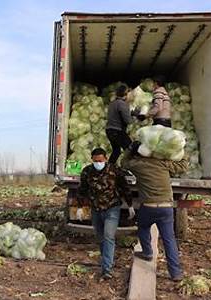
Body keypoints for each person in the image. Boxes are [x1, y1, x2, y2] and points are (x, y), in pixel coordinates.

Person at [121, 142, 188, 282]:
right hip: (166, 207)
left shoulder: (137, 164)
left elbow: (124, 162)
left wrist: (129, 149)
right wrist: (180, 149)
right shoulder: (162, 163)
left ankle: (147, 252)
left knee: (143, 227)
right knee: (169, 239)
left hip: (148, 207)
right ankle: (175, 273)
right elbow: (183, 166)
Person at [77, 147, 135, 279]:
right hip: (96, 209)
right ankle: (105, 261)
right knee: (101, 238)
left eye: (100, 160)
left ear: (106, 158)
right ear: (92, 160)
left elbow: (124, 187)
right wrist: (80, 207)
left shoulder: (114, 170)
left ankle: (107, 269)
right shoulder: (87, 171)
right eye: (95, 161)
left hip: (112, 208)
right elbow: (82, 189)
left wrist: (130, 205)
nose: (98, 163)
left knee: (109, 236)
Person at [106, 84, 140, 165]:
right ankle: (131, 169)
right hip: (117, 131)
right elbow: (128, 120)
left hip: (109, 131)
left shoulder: (113, 103)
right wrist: (136, 118)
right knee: (131, 150)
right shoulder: (122, 104)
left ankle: (109, 168)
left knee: (116, 151)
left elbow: (118, 113)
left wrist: (131, 113)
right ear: (125, 94)